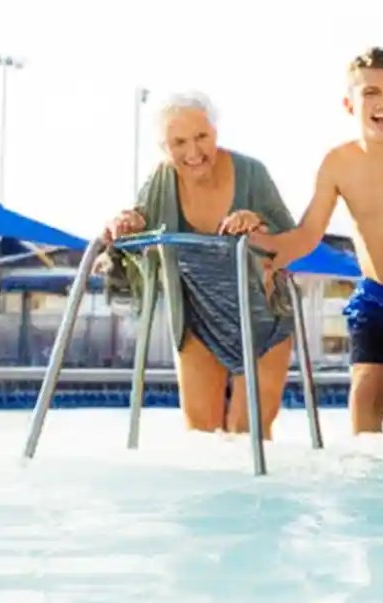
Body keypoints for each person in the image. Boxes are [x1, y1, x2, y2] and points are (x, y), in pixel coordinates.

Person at [250, 47, 383, 434]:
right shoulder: (337, 163)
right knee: (365, 397)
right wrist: (265, 254)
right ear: (349, 104)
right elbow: (308, 233)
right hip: (375, 299)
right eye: (371, 93)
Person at [95, 91, 296, 438]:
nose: (193, 152)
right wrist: (127, 222)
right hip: (197, 317)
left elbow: (291, 240)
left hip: (262, 314)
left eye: (201, 137)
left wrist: (257, 222)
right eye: (179, 142)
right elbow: (138, 221)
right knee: (203, 437)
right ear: (164, 147)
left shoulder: (252, 174)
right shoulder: (161, 181)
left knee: (248, 432)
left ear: (215, 132)